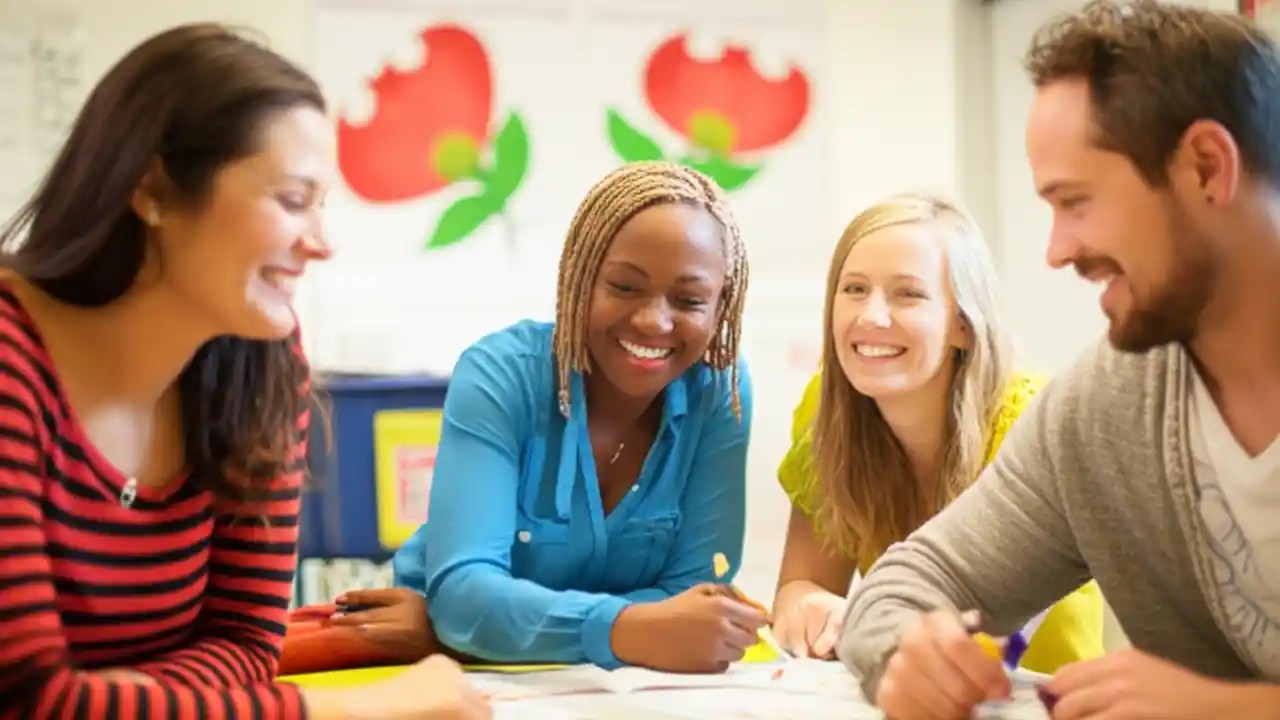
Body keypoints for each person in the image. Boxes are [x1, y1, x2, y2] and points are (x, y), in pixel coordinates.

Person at [0, 23, 489, 720]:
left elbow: (245, 646)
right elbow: (29, 700)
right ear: (154, 188)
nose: (320, 244)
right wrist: (362, 710)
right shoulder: (12, 363)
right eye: (292, 201)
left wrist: (108, 700)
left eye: (323, 206)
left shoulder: (262, 367)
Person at [837, 2, 1280, 718]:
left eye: (1076, 202)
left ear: (1206, 167)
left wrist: (1229, 709)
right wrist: (910, 650)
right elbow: (912, 580)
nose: (1058, 250)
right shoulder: (1105, 411)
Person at [325, 161, 765, 674]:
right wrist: (631, 630)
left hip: (594, 686)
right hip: (450, 679)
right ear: (579, 277)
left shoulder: (721, 392)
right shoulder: (499, 376)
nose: (653, 320)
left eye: (690, 300)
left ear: (722, 305)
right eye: (624, 287)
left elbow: (692, 599)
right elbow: (466, 596)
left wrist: (458, 635)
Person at [770, 193, 1104, 669]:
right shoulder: (826, 411)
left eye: (908, 294)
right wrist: (809, 606)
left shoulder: (1034, 424)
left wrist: (864, 621)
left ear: (963, 326)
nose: (871, 316)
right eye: (854, 289)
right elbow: (801, 588)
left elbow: (977, 633)